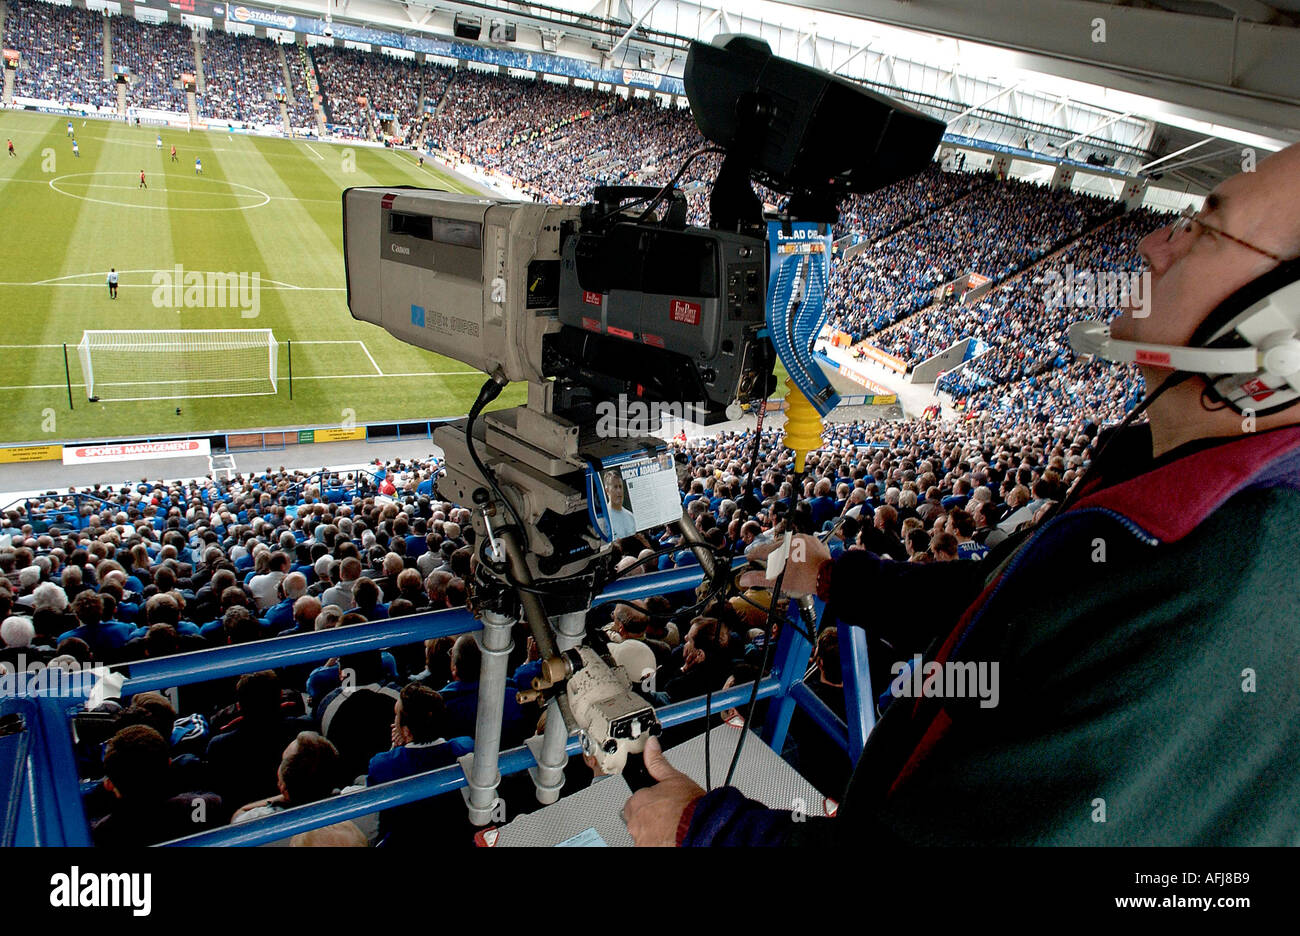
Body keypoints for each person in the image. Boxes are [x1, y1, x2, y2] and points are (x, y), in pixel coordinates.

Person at [623, 142, 1300, 847]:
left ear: (1285, 328)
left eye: (1202, 227)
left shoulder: (1231, 581)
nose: (1154, 242)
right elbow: (1017, 613)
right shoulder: (1179, 499)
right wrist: (835, 578)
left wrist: (704, 833)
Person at [603, 470, 637, 539]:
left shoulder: (630, 516)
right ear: (607, 490)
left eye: (620, 487)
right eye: (615, 487)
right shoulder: (604, 518)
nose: (619, 491)